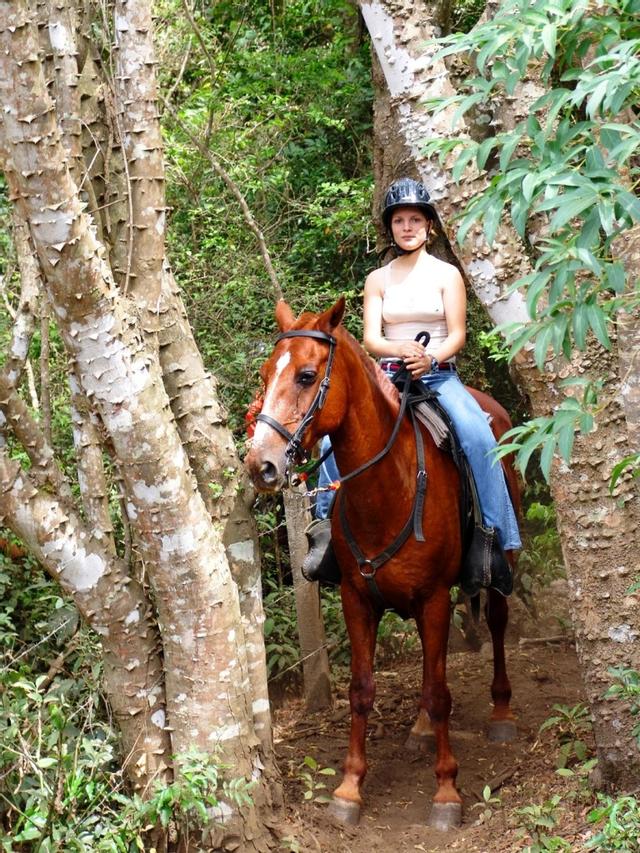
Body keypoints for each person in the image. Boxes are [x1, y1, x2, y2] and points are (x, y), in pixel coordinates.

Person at [302, 177, 521, 582]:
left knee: (478, 436)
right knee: (332, 438)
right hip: (387, 376)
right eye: (399, 220)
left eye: (415, 219)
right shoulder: (378, 279)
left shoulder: (447, 275)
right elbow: (371, 338)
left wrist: (430, 356)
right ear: (390, 227)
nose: (407, 227)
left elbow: (457, 334)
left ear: (429, 225)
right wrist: (399, 349)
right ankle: (325, 532)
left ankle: (492, 539)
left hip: (438, 376)